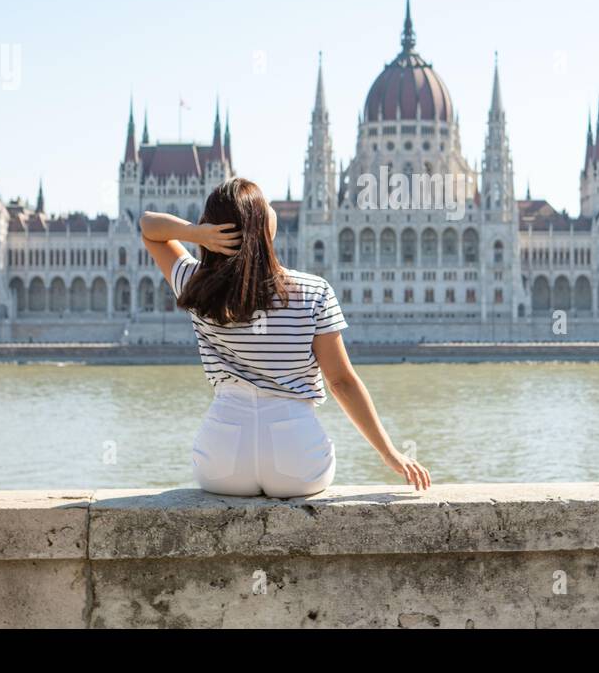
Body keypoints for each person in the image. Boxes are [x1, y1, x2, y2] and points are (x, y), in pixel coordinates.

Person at [140, 177, 431, 498]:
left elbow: (149, 227)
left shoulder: (194, 283)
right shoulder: (313, 291)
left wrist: (196, 234)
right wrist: (389, 452)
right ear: (263, 226)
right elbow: (341, 383)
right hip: (297, 460)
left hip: (221, 462)